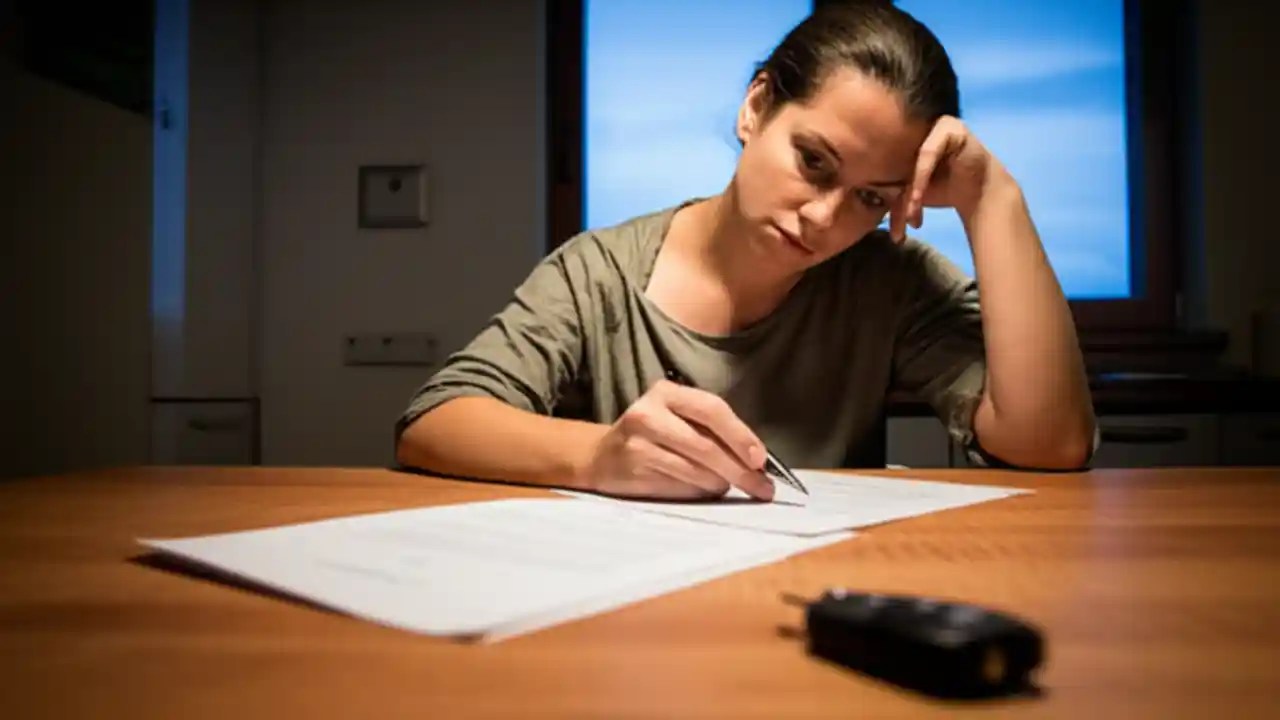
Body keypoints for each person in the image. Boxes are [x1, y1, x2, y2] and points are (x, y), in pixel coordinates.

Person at [395, 2, 1096, 502]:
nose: (823, 216)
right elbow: (436, 421)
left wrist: (992, 199)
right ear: (755, 107)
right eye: (814, 162)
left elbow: (1050, 444)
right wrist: (599, 456)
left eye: (870, 198)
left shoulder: (890, 282)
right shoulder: (601, 274)